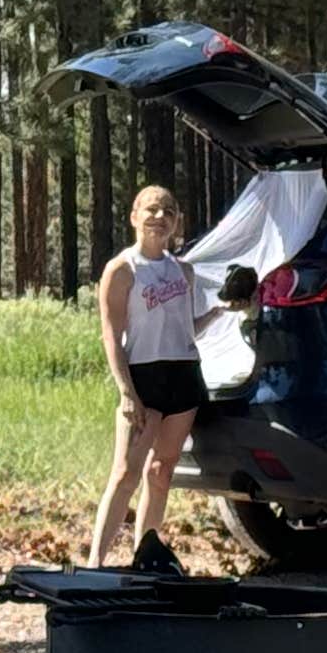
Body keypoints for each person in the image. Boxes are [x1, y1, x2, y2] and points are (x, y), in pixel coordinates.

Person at [90, 184, 208, 570]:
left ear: (177, 222)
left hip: (183, 375)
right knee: (126, 474)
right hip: (144, 377)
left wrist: (222, 310)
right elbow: (111, 336)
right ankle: (94, 564)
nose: (160, 217)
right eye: (152, 210)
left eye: (168, 211)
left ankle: (145, 559)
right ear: (134, 217)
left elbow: (187, 327)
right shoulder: (122, 269)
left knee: (161, 472)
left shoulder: (184, 271)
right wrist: (126, 391)